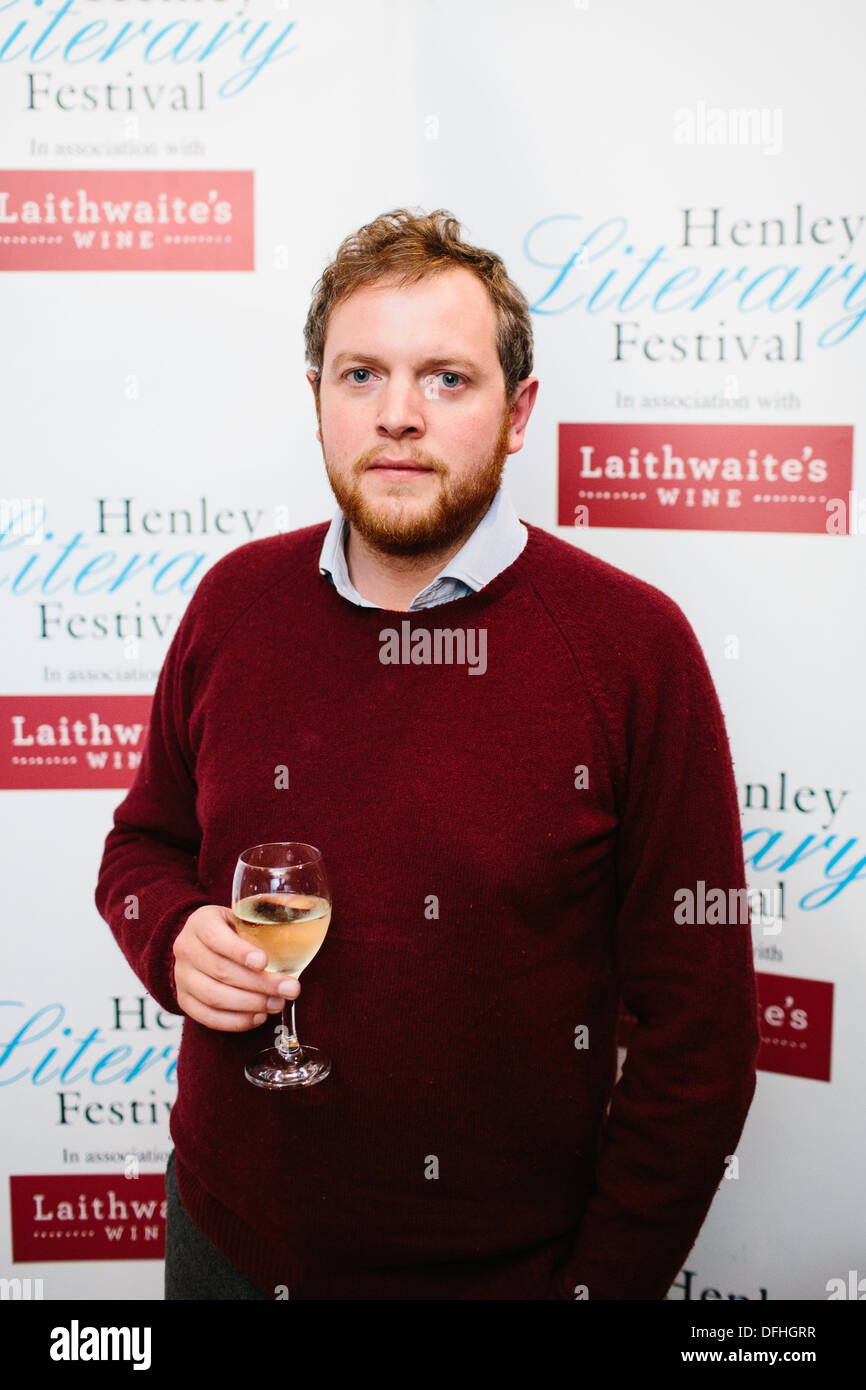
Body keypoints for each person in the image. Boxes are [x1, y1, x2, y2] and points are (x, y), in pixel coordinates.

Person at [95, 206, 760, 1301]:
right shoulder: (230, 605)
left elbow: (701, 1037)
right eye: (361, 375)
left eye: (446, 379)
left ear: (516, 413)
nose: (397, 416)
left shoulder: (634, 649)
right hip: (224, 1244)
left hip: (498, 1275)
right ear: (315, 399)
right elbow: (141, 845)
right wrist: (171, 933)